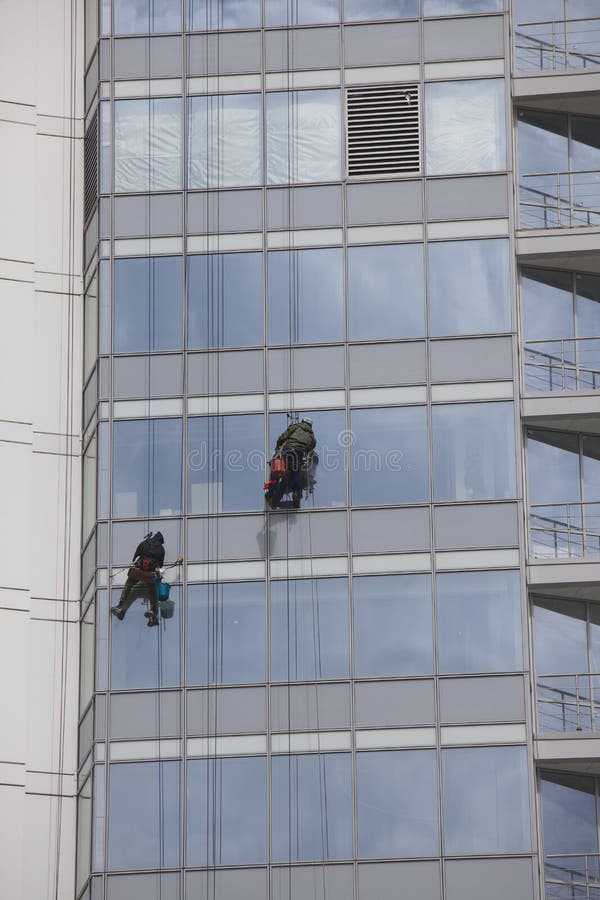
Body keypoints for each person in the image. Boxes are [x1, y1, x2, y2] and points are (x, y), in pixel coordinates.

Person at [110, 532, 165, 627]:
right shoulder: (161, 549)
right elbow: (160, 564)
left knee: (129, 584)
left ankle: (120, 605)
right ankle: (153, 610)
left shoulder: (144, 543)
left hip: (138, 570)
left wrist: (134, 561)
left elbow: (136, 554)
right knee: (152, 590)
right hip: (150, 574)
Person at [271, 417, 316, 505]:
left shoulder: (295, 427)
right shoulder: (311, 434)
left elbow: (283, 437)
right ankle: (296, 492)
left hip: (289, 451)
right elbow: (312, 446)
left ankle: (274, 489)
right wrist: (306, 452)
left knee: (284, 468)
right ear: (310, 425)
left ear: (302, 421)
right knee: (296, 470)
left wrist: (277, 447)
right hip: (299, 453)